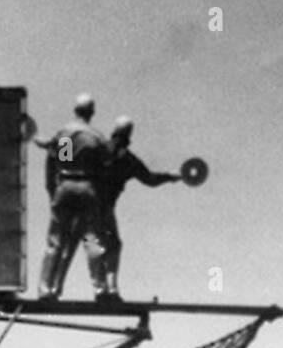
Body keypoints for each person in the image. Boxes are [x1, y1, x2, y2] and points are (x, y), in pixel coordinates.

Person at [33, 93, 110, 301]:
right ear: (92, 112)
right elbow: (104, 167)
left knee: (56, 240)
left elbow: (62, 161)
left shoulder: (66, 133)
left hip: (66, 186)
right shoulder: (97, 136)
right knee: (92, 239)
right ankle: (100, 289)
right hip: (88, 187)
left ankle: (46, 289)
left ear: (75, 110)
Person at [97, 116, 181, 298]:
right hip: (104, 208)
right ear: (129, 136)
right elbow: (150, 179)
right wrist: (170, 177)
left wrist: (64, 150)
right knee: (111, 245)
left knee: (79, 245)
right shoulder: (128, 159)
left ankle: (52, 288)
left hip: (83, 204)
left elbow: (73, 156)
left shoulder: (99, 148)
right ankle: (109, 288)